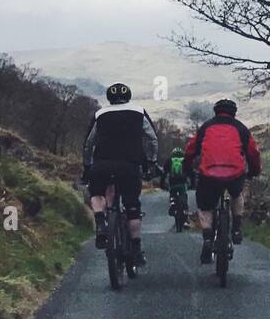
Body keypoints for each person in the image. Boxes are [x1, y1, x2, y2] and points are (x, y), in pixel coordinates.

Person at [82, 83, 158, 268]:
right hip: (129, 166)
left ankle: (101, 222)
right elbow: (153, 139)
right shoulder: (139, 112)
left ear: (109, 97)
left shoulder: (100, 114)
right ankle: (136, 248)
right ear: (129, 96)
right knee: (132, 206)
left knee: (98, 193)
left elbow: (88, 143)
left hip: (102, 164)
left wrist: (87, 165)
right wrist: (151, 161)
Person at [183, 98, 261, 265]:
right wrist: (254, 171)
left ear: (216, 111)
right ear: (234, 112)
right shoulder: (241, 128)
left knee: (205, 206)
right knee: (236, 194)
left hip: (209, 173)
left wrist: (187, 168)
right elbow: (253, 153)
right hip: (235, 173)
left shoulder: (206, 127)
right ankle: (237, 228)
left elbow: (190, 150)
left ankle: (207, 239)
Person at [160, 146, 192, 219]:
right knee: (184, 197)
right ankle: (186, 218)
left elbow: (164, 174)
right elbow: (191, 173)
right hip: (182, 182)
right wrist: (192, 184)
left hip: (172, 182)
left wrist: (162, 184)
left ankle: (172, 203)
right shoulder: (185, 161)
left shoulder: (169, 161)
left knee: (172, 194)